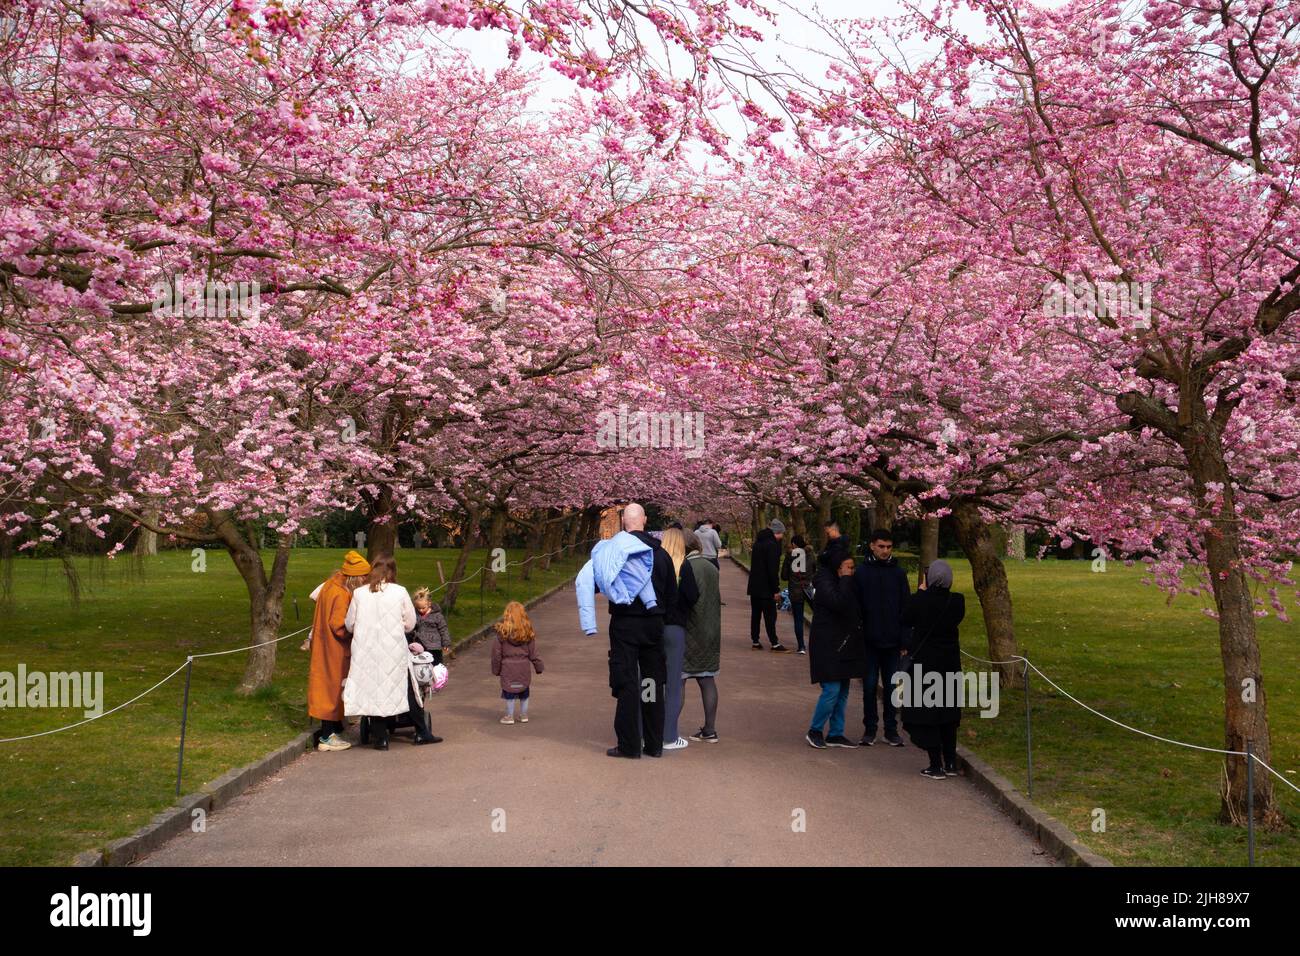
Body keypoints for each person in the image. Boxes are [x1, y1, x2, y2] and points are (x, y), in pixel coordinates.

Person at [577, 502, 675, 759]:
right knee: (652, 681)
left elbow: (598, 582)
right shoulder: (661, 555)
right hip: (653, 625)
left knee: (627, 681)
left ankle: (629, 744)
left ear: (623, 523)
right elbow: (672, 596)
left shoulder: (612, 552)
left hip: (624, 624)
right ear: (644, 521)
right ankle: (654, 743)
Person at [343, 554, 440, 749]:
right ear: (393, 571)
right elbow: (410, 623)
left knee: (374, 691)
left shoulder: (360, 594)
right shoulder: (399, 592)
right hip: (393, 649)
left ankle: (381, 738)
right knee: (407, 690)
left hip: (367, 650)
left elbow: (350, 624)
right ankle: (421, 731)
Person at [901, 559, 967, 778]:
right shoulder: (957, 602)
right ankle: (950, 762)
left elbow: (906, 618)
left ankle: (935, 764)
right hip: (949, 664)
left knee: (927, 713)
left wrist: (921, 593)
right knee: (948, 714)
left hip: (925, 665)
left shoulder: (919, 601)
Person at [852, 528, 912, 747]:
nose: (885, 551)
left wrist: (905, 640)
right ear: (872, 546)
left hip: (892, 641)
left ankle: (890, 729)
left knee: (891, 686)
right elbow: (855, 606)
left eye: (888, 547)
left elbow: (906, 609)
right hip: (869, 640)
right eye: (881, 546)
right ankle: (870, 729)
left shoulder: (898, 574)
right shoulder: (862, 573)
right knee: (868, 686)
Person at [307, 550, 370, 752]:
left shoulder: (330, 585)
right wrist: (355, 633)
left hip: (323, 643)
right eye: (364, 577)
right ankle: (327, 736)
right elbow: (338, 625)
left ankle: (332, 729)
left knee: (325, 686)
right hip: (334, 648)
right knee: (331, 690)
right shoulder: (341, 594)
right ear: (356, 577)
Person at [805, 550, 867, 749]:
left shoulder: (848, 582)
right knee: (831, 689)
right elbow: (839, 603)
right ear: (838, 567)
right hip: (827, 643)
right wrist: (847, 580)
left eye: (852, 567)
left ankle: (836, 732)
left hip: (844, 641)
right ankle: (815, 729)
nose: (852, 571)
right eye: (848, 567)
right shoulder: (825, 583)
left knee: (843, 689)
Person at [659, 527, 700, 750]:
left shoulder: (656, 563)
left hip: (655, 627)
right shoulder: (685, 566)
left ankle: (649, 729)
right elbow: (693, 595)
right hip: (675, 628)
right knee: (674, 683)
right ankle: (669, 736)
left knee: (652, 680)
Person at [682, 531, 722, 743]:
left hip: (690, 630)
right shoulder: (711, 567)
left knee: (678, 680)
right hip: (711, 629)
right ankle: (710, 729)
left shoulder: (685, 567)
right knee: (707, 679)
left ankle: (668, 729)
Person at [491, 601, 544, 724]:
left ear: (507, 615)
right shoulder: (527, 633)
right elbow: (533, 653)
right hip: (523, 667)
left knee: (509, 691)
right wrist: (539, 667)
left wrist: (496, 670)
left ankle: (509, 716)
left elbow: (496, 655)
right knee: (524, 690)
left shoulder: (502, 633)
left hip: (507, 668)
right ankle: (523, 715)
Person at [747, 519, 789, 652]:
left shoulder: (758, 543)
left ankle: (755, 641)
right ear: (777, 532)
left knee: (756, 615)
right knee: (770, 616)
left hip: (755, 586)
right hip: (766, 588)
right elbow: (772, 569)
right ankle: (774, 643)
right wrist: (775, 589)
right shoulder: (772, 545)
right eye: (782, 533)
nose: (782, 536)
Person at [781, 533, 814, 655]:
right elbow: (814, 570)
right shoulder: (810, 555)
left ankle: (801, 646)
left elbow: (784, 576)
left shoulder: (790, 556)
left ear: (794, 544)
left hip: (795, 590)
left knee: (798, 619)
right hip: (808, 590)